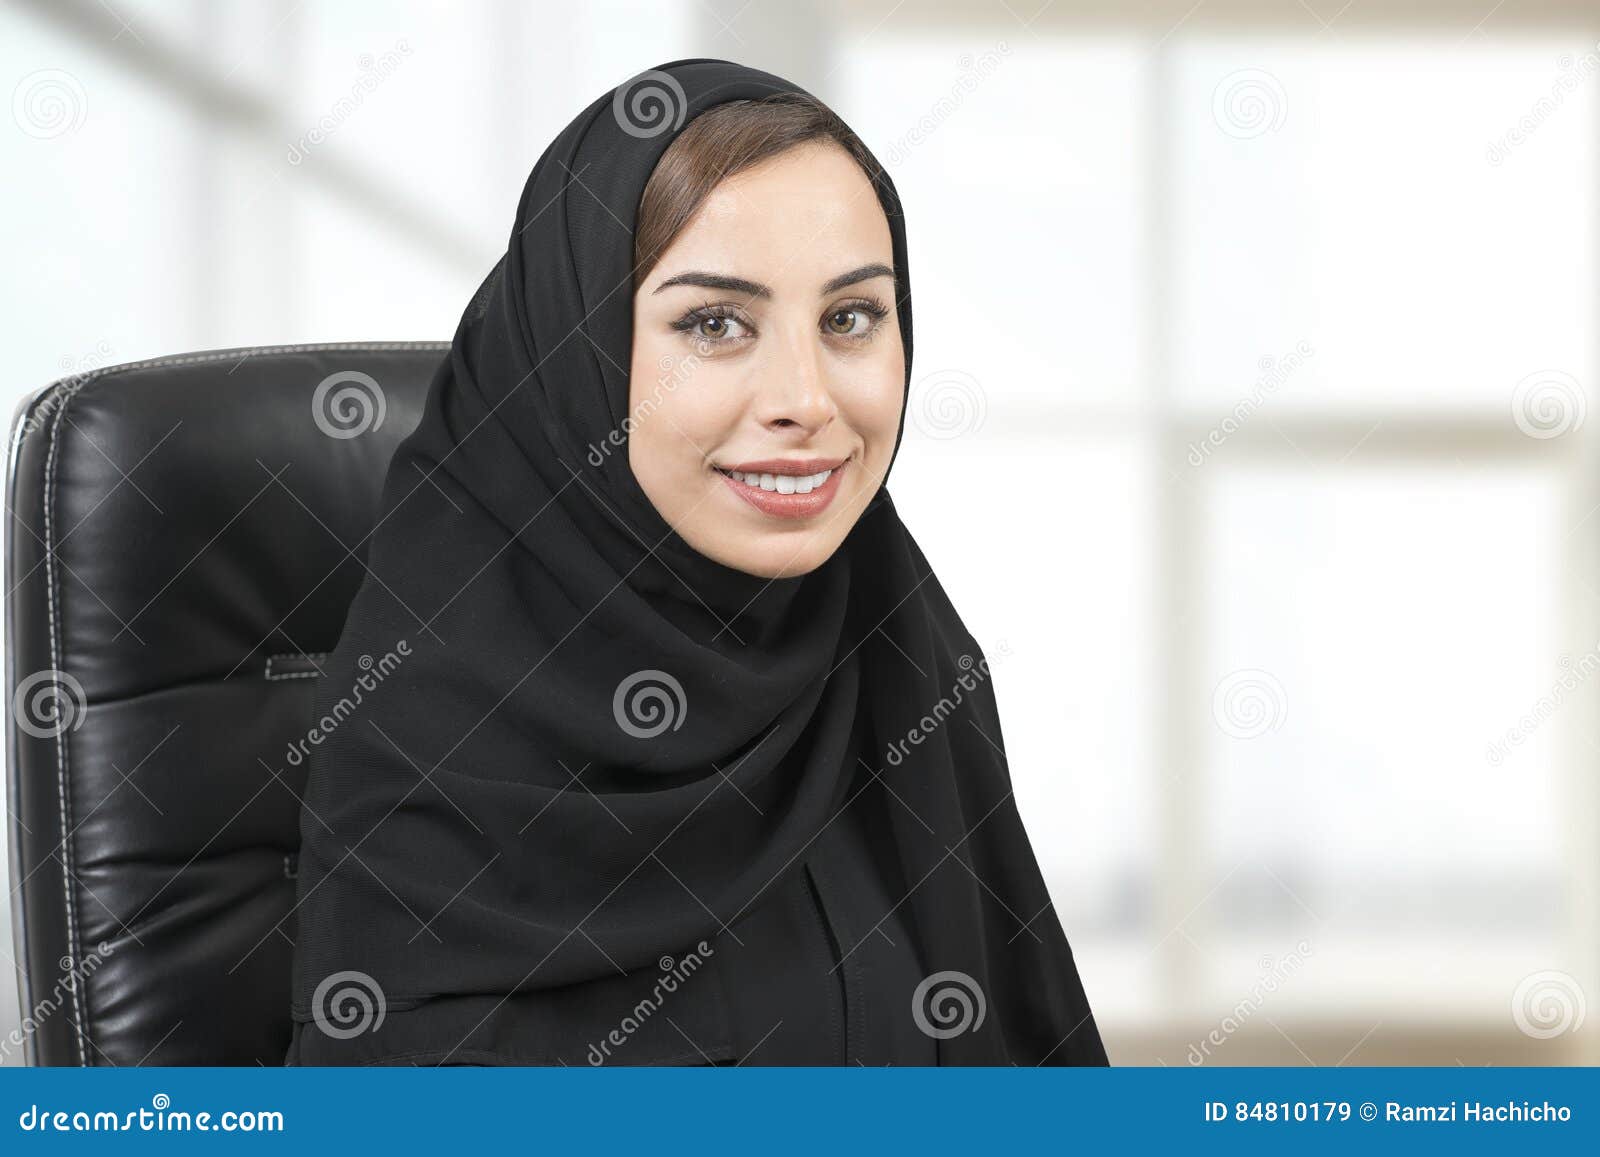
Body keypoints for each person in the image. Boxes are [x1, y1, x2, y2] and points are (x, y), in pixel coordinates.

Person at [283, 57, 1107, 1067]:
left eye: (849, 318)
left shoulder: (898, 646)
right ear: (575, 359)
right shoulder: (432, 757)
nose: (806, 397)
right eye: (714, 323)